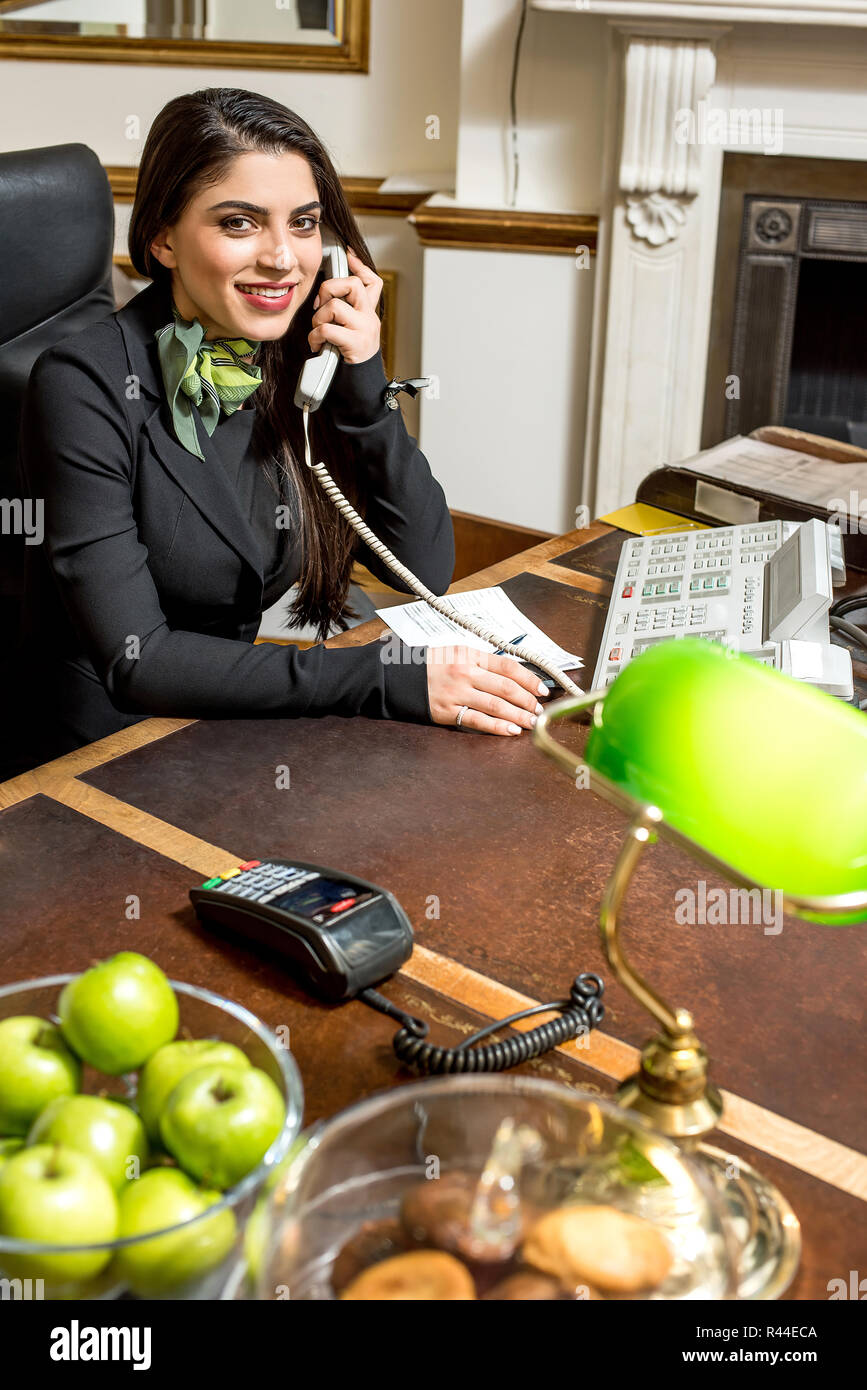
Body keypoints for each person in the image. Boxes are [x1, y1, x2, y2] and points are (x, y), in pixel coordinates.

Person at [13, 88, 549, 773]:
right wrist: (381, 679)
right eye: (239, 223)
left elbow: (423, 569)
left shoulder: (291, 354)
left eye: (302, 223)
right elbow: (136, 658)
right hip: (95, 759)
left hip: (225, 727)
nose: (282, 258)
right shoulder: (80, 383)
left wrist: (360, 384)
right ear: (162, 237)